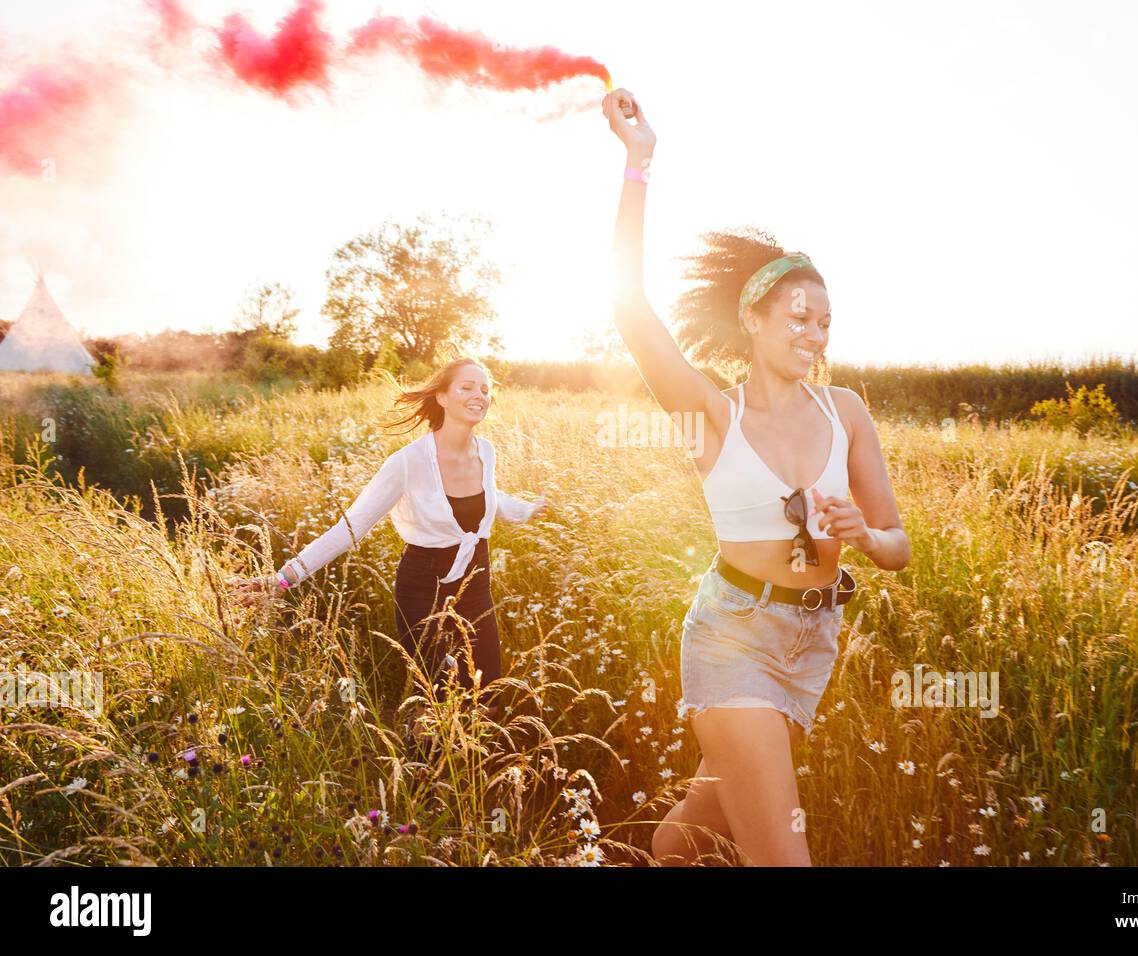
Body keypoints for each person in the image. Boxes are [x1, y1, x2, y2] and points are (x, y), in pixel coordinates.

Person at [603, 88, 911, 866]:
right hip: (732, 637)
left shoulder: (848, 412)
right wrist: (639, 165)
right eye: (799, 316)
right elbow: (631, 310)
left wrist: (863, 533)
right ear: (754, 317)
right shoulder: (713, 415)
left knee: (693, 831)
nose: (814, 334)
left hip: (811, 643)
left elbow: (898, 546)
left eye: (825, 322)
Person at [231, 358, 545, 721]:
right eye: (467, 387)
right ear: (442, 397)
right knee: (445, 697)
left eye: (486, 389)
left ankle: (478, 769)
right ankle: (426, 767)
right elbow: (349, 528)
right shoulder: (407, 462)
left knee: (487, 694)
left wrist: (525, 510)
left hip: (476, 581)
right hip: (423, 587)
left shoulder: (485, 451)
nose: (479, 395)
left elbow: (490, 495)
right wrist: (284, 578)